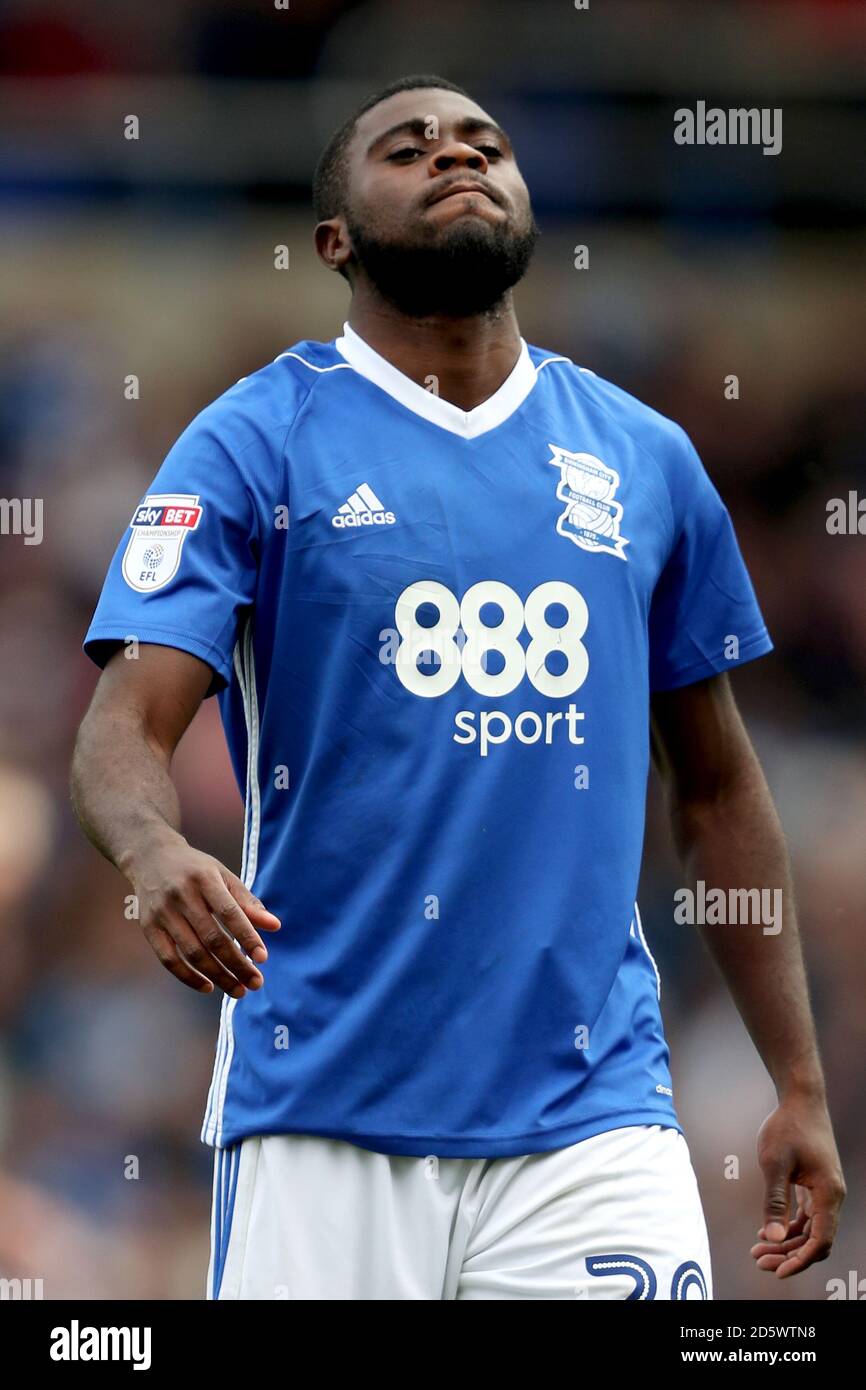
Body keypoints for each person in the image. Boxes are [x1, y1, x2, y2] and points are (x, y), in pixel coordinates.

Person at [71, 74, 844, 1301]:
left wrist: (796, 1083)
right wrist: (151, 850)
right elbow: (122, 729)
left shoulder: (643, 459)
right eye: (408, 146)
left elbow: (714, 788)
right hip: (325, 1102)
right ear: (336, 237)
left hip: (592, 1116)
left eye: (484, 143)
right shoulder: (252, 440)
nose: (455, 156)